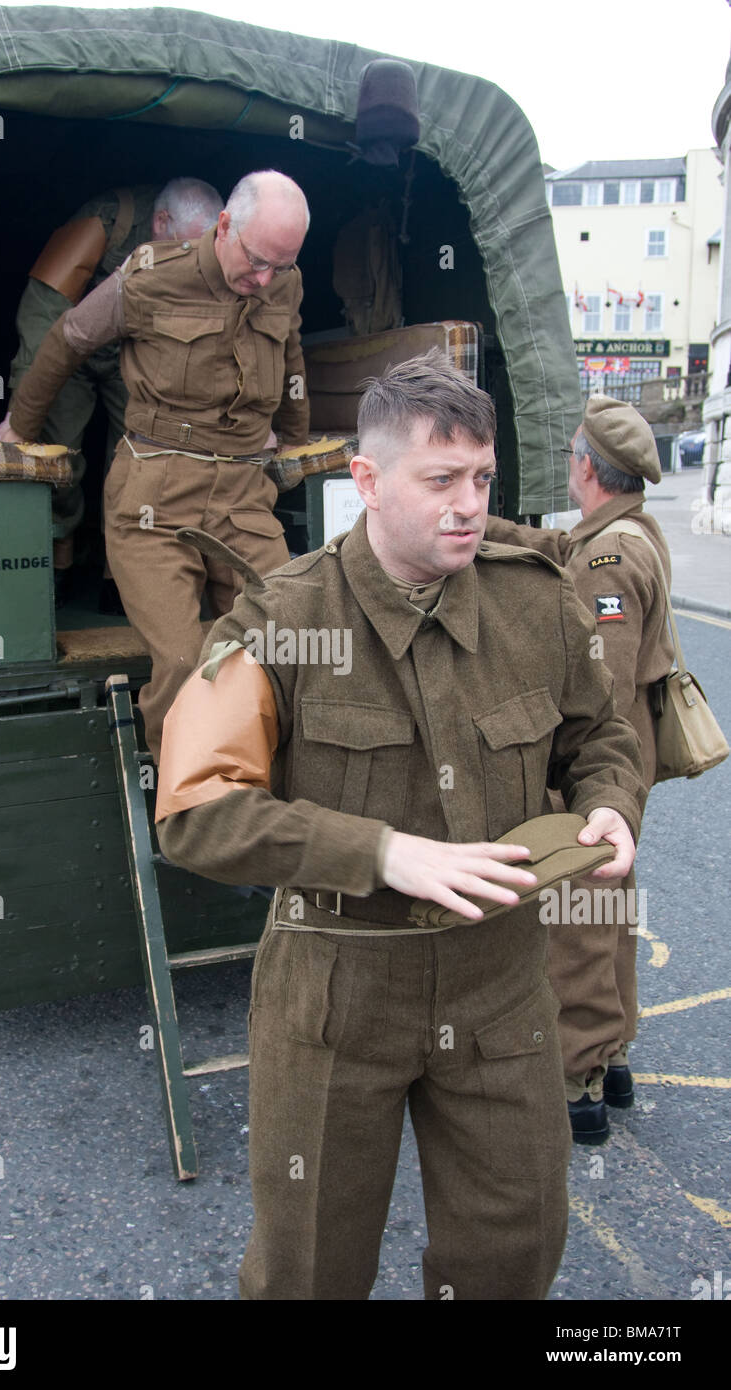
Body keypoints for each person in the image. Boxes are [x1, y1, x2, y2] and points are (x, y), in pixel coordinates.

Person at [153, 350, 645, 1300]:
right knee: (310, 1268)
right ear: (368, 481)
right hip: (338, 990)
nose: (469, 506)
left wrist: (609, 806)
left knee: (514, 1251)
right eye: (440, 480)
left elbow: (601, 737)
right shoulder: (280, 622)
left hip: (501, 985)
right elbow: (196, 810)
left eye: (482, 479)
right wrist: (380, 851)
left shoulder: (535, 599)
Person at [2, 170, 310, 752]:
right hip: (156, 500)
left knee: (286, 643)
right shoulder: (149, 277)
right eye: (256, 261)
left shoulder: (282, 282)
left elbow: (291, 356)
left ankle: (259, 781)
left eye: (281, 264)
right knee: (182, 662)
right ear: (225, 227)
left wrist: (292, 437)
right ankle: (183, 794)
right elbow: (68, 337)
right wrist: (20, 424)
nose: (265, 279)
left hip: (243, 495)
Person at [484, 396, 674, 1142]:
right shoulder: (623, 532)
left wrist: (577, 775)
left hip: (604, 754)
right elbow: (554, 545)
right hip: (631, 746)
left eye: (571, 454)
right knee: (608, 906)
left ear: (589, 469)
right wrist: (479, 525)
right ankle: (612, 1054)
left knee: (579, 917)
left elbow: (604, 687)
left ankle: (578, 1078)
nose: (568, 464)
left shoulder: (607, 561)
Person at [0, 178, 224, 605]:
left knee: (138, 462)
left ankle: (119, 576)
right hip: (68, 347)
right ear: (161, 222)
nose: (193, 260)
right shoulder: (106, 221)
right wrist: (19, 416)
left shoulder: (211, 250)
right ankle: (59, 557)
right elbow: (42, 316)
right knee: (59, 456)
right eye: (186, 247)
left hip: (135, 352)